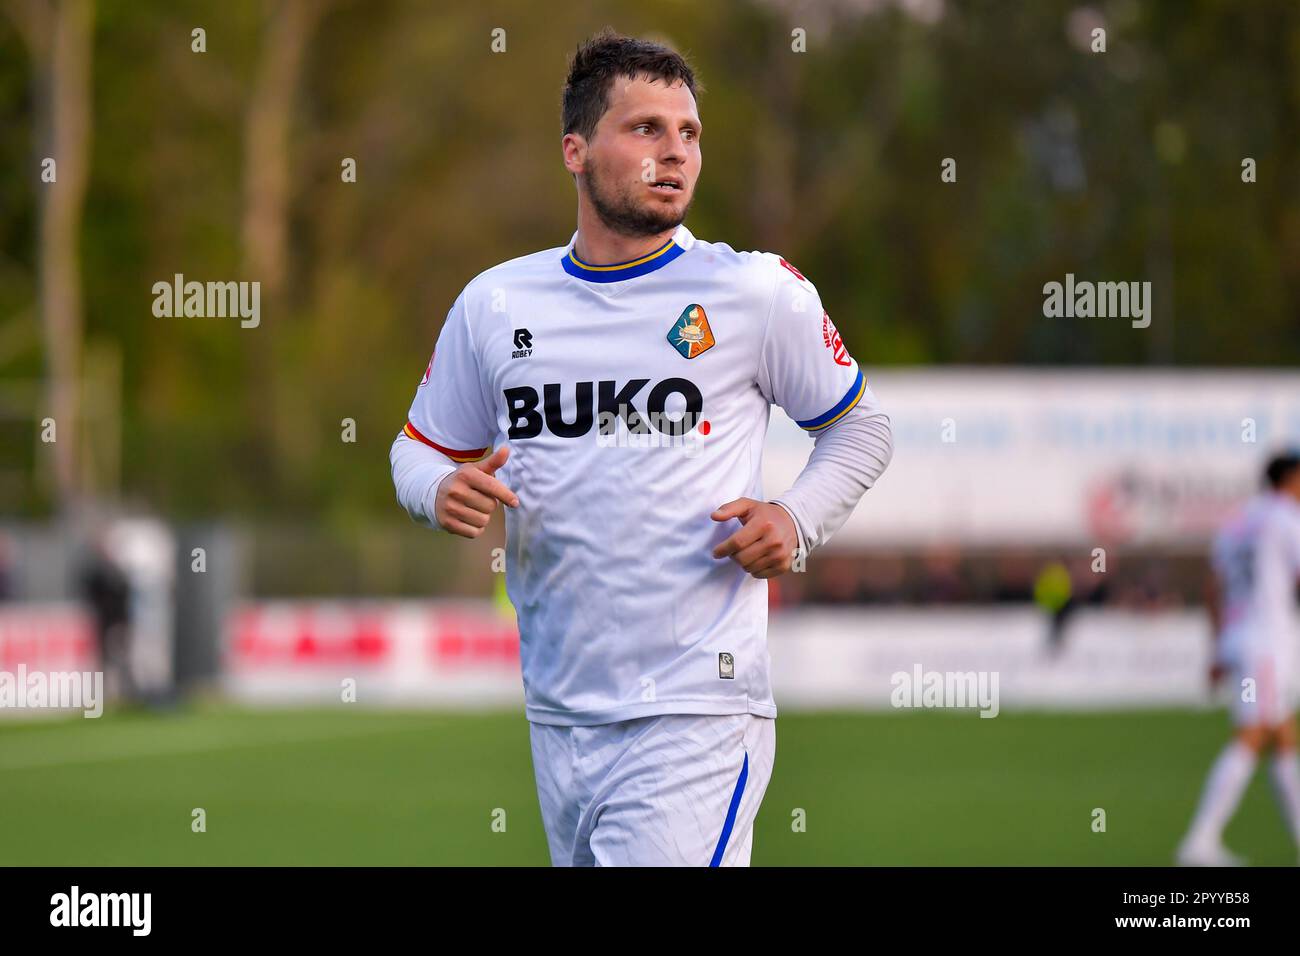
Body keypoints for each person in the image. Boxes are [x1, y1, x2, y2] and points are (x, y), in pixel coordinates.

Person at [390, 30, 893, 866]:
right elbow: (416, 449)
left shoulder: (753, 291)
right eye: (647, 129)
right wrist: (438, 489)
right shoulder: (496, 302)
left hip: (697, 709)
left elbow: (861, 426)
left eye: (689, 133)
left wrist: (795, 518)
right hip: (559, 713)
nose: (676, 153)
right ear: (575, 151)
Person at [1176, 452, 1300, 866]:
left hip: (1240, 637)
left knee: (1283, 739)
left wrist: (1217, 646)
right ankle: (1199, 841)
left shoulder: (1237, 522)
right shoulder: (1286, 519)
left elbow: (1214, 587)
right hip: (1267, 642)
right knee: (1253, 735)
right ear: (1292, 478)